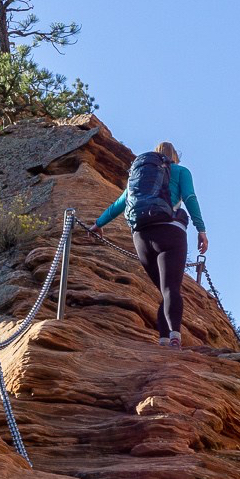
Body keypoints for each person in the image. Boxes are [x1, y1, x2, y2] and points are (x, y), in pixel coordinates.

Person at [90, 141, 207, 348]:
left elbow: (120, 203)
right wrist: (201, 229)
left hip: (141, 236)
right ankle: (174, 338)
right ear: (174, 157)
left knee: (164, 291)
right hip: (170, 233)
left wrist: (98, 224)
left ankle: (163, 340)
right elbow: (189, 197)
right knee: (171, 288)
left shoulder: (140, 178)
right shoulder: (180, 171)